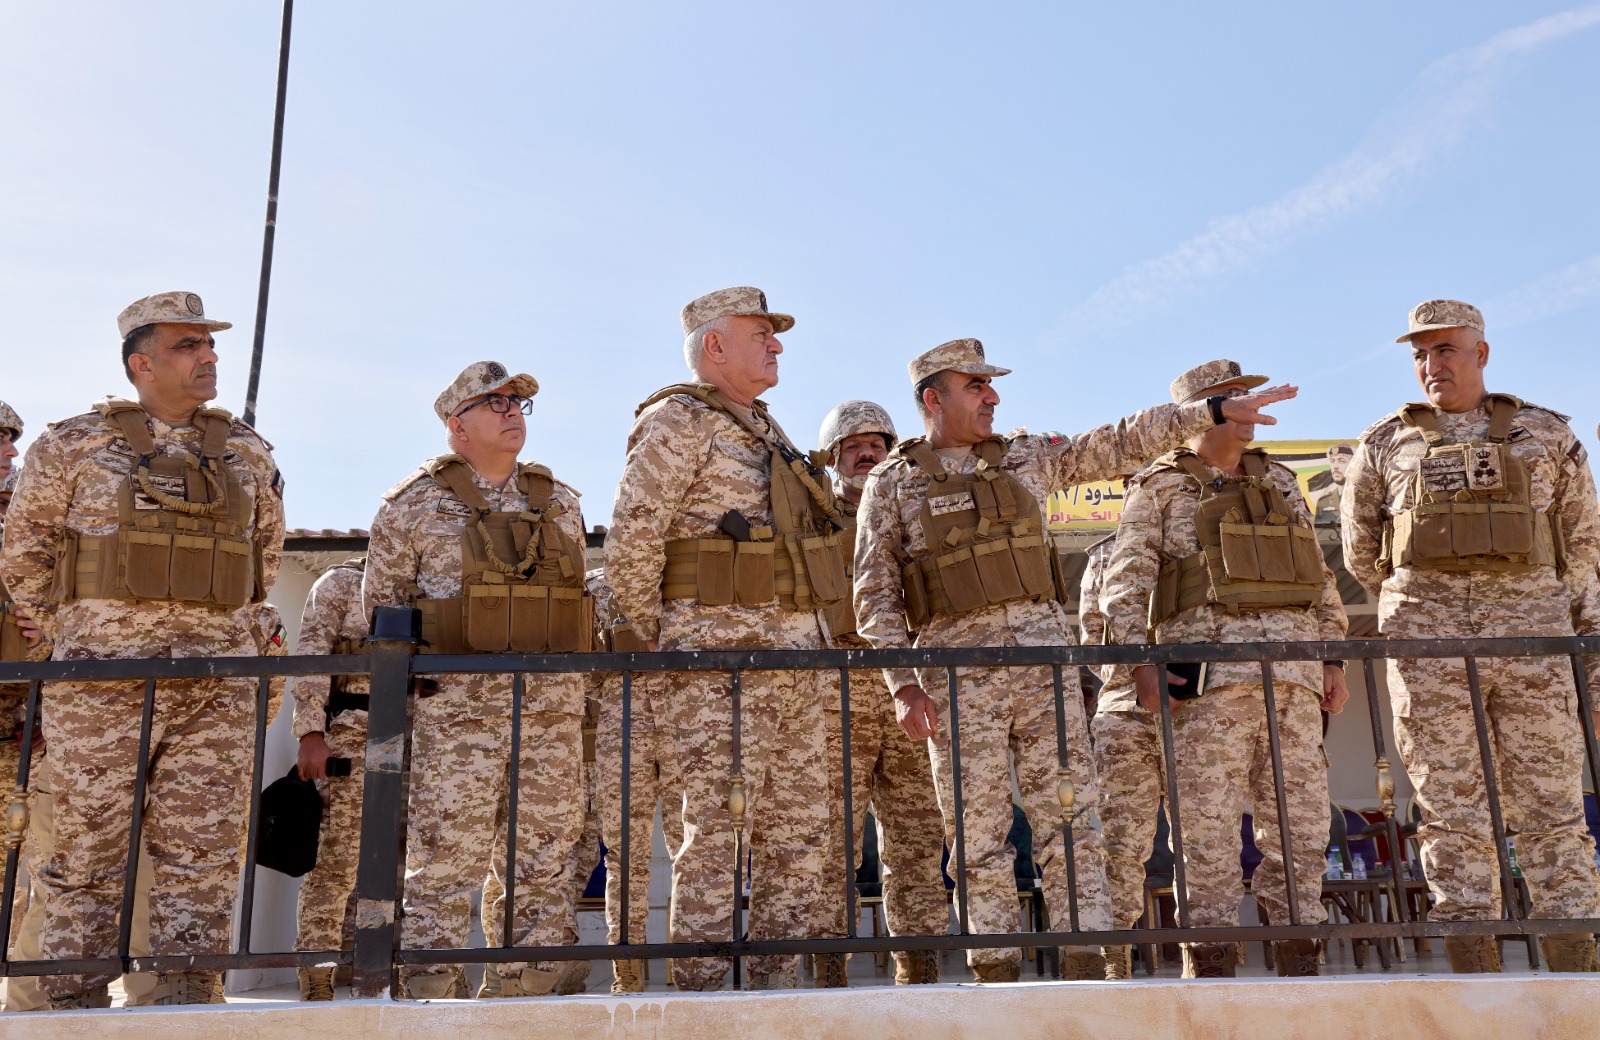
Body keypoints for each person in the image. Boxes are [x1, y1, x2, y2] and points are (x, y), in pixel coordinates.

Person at [853, 338, 1296, 982]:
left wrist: (1209, 412)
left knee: (1073, 820)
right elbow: (875, 594)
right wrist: (903, 686)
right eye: (975, 386)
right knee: (977, 835)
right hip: (956, 679)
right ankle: (995, 967)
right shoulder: (893, 483)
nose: (992, 397)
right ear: (932, 399)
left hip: (1044, 675)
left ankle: (1088, 959)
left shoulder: (1029, 457)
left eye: (991, 385)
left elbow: (1117, 440)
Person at [0, 291, 285, 1009]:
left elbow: (264, 563)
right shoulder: (73, 444)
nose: (208, 356)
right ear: (141, 362)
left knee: (204, 855)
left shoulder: (247, 451)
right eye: (188, 346)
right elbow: (24, 559)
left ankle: (185, 1000)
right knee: (86, 851)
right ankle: (69, 1001)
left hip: (215, 685)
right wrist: (76, 639)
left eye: (209, 345)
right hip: (100, 685)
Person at [1342, 300, 1600, 973]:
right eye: (1421, 354)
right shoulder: (1382, 444)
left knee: (1550, 802)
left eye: (1447, 349)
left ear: (1481, 353)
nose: (1434, 365)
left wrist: (1591, 662)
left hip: (1534, 649)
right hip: (1430, 655)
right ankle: (1472, 956)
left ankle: (1573, 953)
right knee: (1451, 805)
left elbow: (1582, 552)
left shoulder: (1547, 436)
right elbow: (1362, 554)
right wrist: (1426, 605)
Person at [604, 287, 837, 990]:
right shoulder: (679, 419)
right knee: (714, 837)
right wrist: (657, 650)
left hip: (795, 663)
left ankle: (768, 998)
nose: (777, 344)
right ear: (715, 346)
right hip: (717, 668)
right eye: (760, 332)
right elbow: (634, 538)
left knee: (798, 841)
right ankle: (701, 1006)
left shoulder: (766, 429)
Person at [1101, 359, 1348, 978]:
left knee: (1301, 825)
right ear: (1201, 411)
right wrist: (1140, 666)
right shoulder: (1160, 487)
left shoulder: (1283, 482)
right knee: (1206, 831)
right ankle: (1208, 958)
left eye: (1244, 393)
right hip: (1207, 687)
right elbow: (1125, 586)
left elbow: (1317, 579)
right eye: (1229, 397)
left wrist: (1333, 657)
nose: (1244, 403)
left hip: (1290, 681)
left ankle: (1299, 946)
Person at [362, 361, 589, 998]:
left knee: (544, 853)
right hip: (457, 712)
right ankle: (431, 984)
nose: (513, 411)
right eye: (495, 403)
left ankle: (529, 981)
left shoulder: (561, 501)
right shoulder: (412, 505)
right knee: (444, 856)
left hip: (549, 712)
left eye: (518, 402)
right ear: (456, 425)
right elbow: (381, 609)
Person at [814, 400, 948, 987]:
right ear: (833, 457)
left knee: (917, 839)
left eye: (877, 444)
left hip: (908, 689)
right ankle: (828, 974)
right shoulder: (811, 516)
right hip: (832, 691)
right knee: (830, 846)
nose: (866, 453)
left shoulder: (909, 509)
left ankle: (917, 972)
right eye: (853, 446)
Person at [586, 568, 682, 994]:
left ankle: (690, 961)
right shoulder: (593, 587)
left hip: (686, 723)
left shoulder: (681, 573)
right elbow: (583, 662)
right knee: (625, 853)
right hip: (622, 727)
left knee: (694, 851)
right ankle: (626, 959)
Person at [1079, 529, 1157, 981]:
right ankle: (1116, 952)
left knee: (1208, 838)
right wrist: (1131, 676)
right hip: (1125, 710)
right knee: (1122, 843)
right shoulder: (1107, 550)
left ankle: (1207, 950)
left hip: (1203, 708)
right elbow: (1092, 634)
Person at [289, 555, 369, 1001]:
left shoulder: (441, 583)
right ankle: (317, 969)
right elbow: (312, 658)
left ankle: (389, 969)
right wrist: (311, 733)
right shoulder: (341, 583)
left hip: (434, 740)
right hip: (352, 738)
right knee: (338, 859)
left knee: (419, 867)